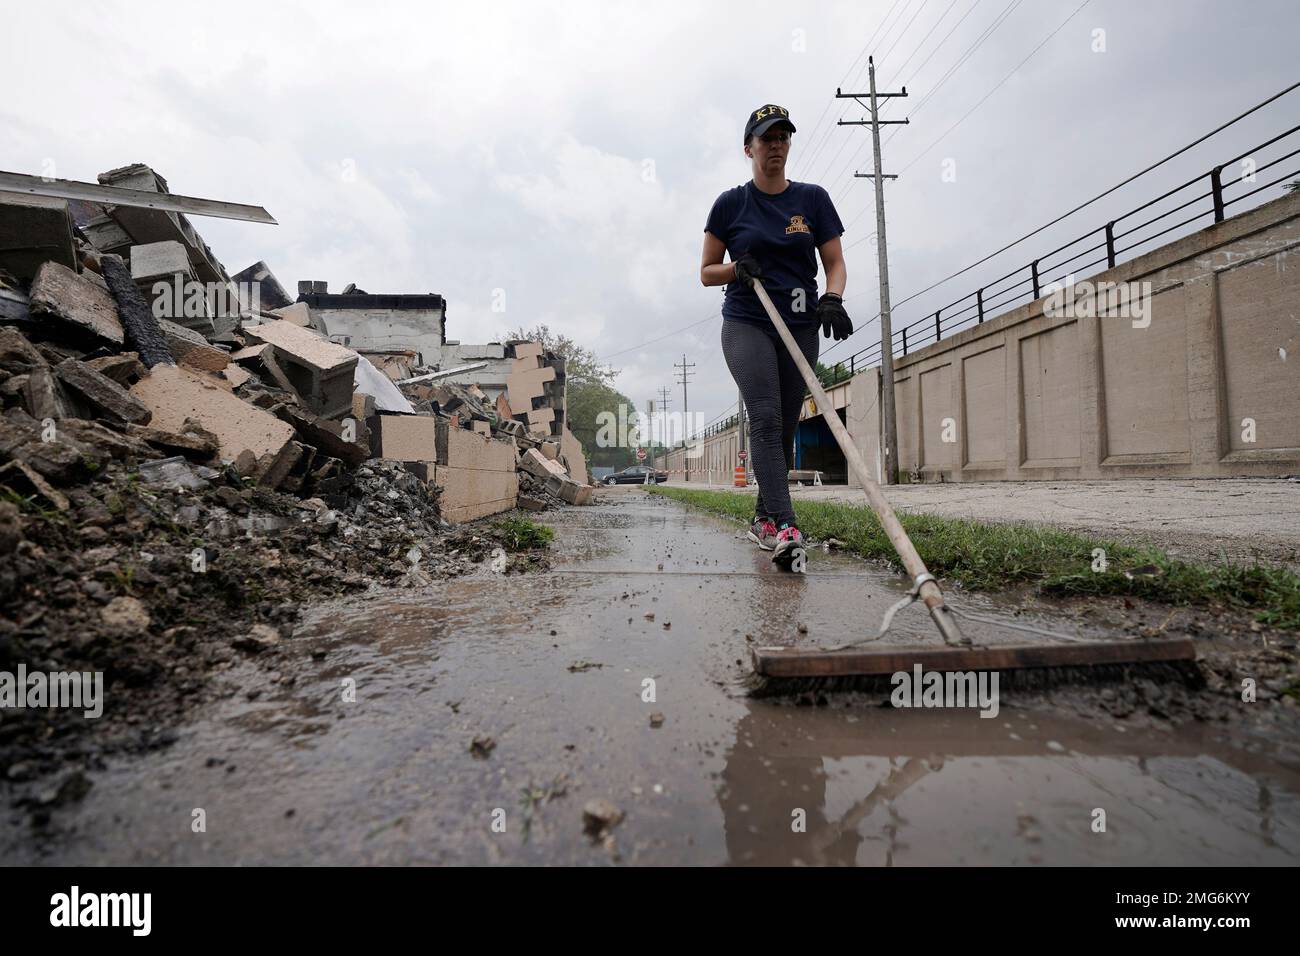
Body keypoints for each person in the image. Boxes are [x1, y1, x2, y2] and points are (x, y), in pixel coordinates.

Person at [700, 104, 851, 566]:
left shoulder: (813, 200)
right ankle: (785, 524)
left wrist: (833, 298)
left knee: (784, 426)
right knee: (764, 417)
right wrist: (735, 270)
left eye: (783, 137)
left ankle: (762, 517)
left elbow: (835, 264)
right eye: (767, 139)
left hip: (801, 325)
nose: (776, 146)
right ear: (749, 147)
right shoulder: (731, 204)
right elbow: (706, 272)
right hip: (748, 321)